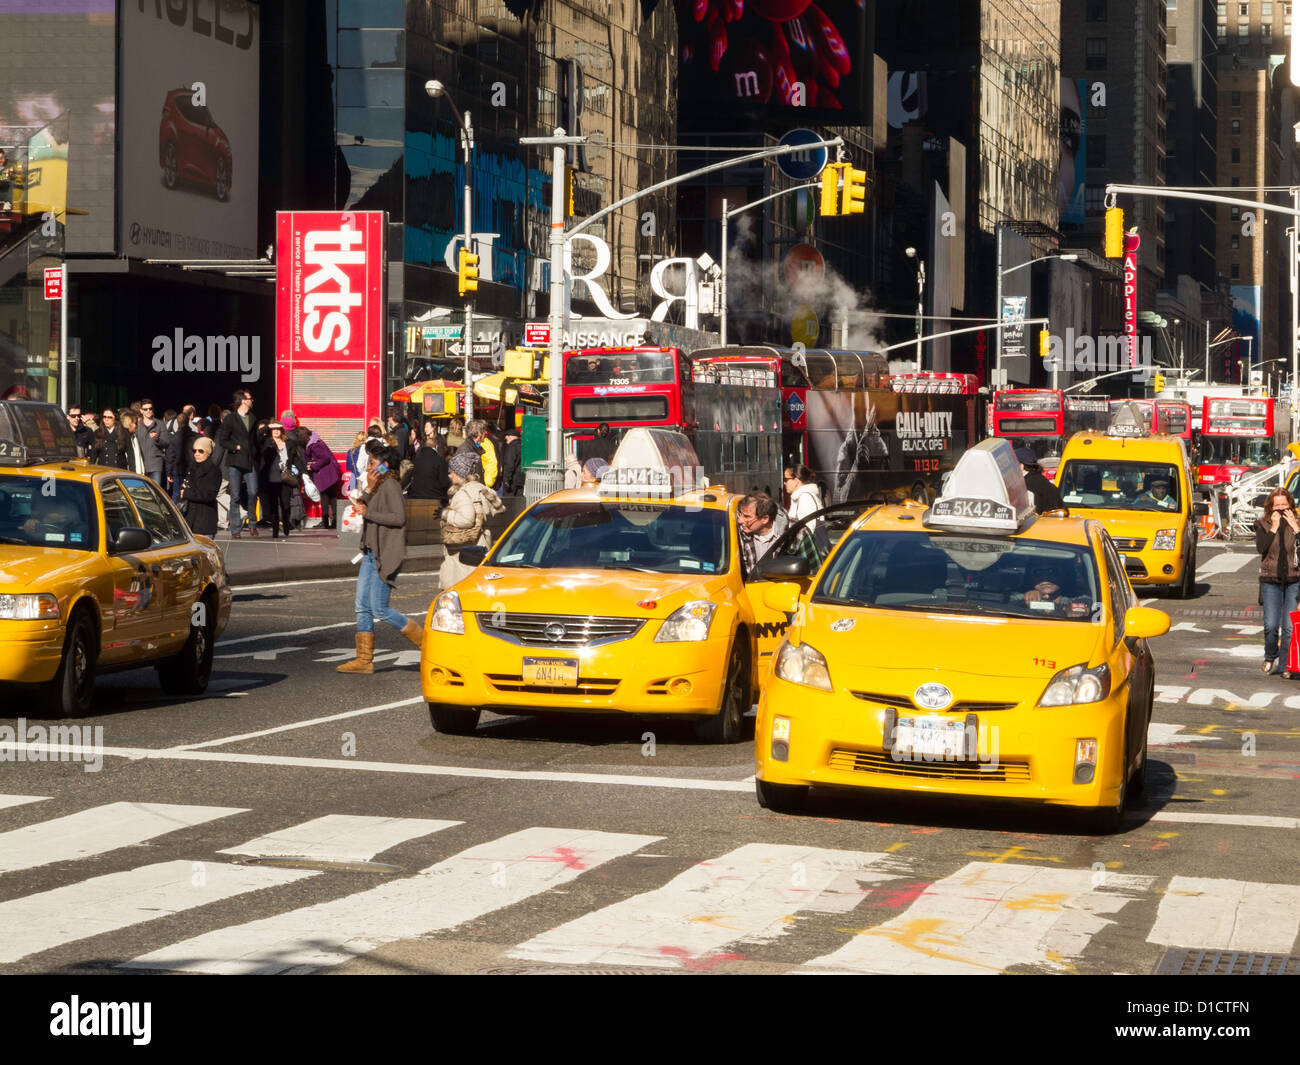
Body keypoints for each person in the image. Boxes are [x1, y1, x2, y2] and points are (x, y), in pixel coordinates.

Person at [337, 440, 422, 674]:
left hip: (384, 552)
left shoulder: (392, 484)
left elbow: (398, 518)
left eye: (373, 463)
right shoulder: (380, 484)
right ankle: (364, 660)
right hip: (370, 551)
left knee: (379, 608)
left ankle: (427, 644)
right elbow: (369, 506)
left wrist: (369, 510)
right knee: (361, 606)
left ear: (384, 465)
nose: (368, 467)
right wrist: (367, 491)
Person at [439, 450, 505, 589]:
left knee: (459, 590)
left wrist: (445, 514)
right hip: (482, 543)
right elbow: (497, 508)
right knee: (476, 585)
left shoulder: (463, 493)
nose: (449, 475)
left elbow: (466, 520)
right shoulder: (480, 488)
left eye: (452, 472)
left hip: (464, 549)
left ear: (460, 473)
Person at [1255, 488, 1300, 677]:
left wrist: (1295, 528)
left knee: (1289, 626)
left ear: (1290, 505)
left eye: (1284, 504)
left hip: (1294, 579)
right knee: (1271, 625)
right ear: (1270, 507)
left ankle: (1285, 666)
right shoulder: (1263, 524)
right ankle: (1270, 655)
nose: (1281, 508)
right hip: (1270, 579)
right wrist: (1273, 527)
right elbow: (1261, 547)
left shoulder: (1297, 523)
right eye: (1277, 505)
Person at [217, 390, 259, 537]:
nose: (252, 400)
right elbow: (223, 440)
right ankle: (235, 529)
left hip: (250, 460)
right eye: (250, 398)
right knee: (234, 495)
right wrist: (235, 447)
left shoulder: (253, 418)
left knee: (253, 492)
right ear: (243, 400)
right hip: (235, 460)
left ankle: (252, 523)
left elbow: (255, 440)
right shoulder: (231, 419)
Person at [259, 421, 305, 538]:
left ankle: (286, 526)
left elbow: (295, 459)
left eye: (278, 429)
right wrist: (266, 427)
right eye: (273, 429)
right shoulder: (267, 442)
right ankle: (275, 529)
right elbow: (257, 437)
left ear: (282, 430)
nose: (276, 431)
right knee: (273, 505)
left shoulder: (289, 443)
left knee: (285, 504)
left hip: (286, 477)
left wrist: (303, 472)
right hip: (272, 477)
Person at [737, 492, 789, 572]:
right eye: (740, 514)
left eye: (746, 516)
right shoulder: (737, 534)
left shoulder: (795, 532)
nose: (740, 521)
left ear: (765, 519)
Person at [180, 436, 222, 536]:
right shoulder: (191, 468)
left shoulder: (214, 471)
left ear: (208, 452)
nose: (197, 454)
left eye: (201, 451)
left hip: (204, 521)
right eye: (194, 451)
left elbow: (209, 495)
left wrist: (186, 493)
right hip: (189, 520)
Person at [304, 424, 343, 529]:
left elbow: (325, 458)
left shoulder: (314, 445)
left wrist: (313, 467)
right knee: (331, 497)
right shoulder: (316, 441)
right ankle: (333, 522)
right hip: (328, 473)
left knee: (325, 497)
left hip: (325, 474)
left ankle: (326, 522)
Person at [1014, 448, 1063, 514]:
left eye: (1013, 464)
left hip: (1042, 522)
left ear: (1021, 466)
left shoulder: (1026, 485)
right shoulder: (1042, 480)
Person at [458, 419, 500, 490]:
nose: (486, 433)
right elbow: (463, 477)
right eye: (484, 431)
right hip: (470, 492)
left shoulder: (474, 448)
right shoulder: (466, 450)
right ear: (479, 433)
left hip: (476, 490)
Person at [408, 431, 450, 501]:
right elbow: (444, 483)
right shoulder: (440, 460)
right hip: (435, 497)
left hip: (416, 496)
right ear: (436, 446)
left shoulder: (416, 459)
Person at [134, 398, 167, 486]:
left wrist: (157, 439)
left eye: (150, 408)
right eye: (145, 409)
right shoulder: (137, 425)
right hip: (141, 464)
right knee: (142, 492)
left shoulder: (160, 424)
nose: (148, 411)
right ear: (141, 411)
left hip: (155, 464)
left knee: (155, 492)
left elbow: (166, 443)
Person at [165, 409, 196, 501]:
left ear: (177, 423)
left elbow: (170, 456)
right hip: (193, 469)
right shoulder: (195, 436)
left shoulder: (174, 438)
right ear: (188, 422)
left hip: (178, 470)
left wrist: (168, 473)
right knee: (192, 493)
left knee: (176, 494)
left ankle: (177, 513)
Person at [498, 427, 524, 496]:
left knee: (509, 503)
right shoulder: (523, 446)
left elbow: (509, 464)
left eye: (508, 435)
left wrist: (506, 480)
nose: (506, 437)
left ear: (513, 437)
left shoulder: (512, 446)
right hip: (521, 480)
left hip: (512, 482)